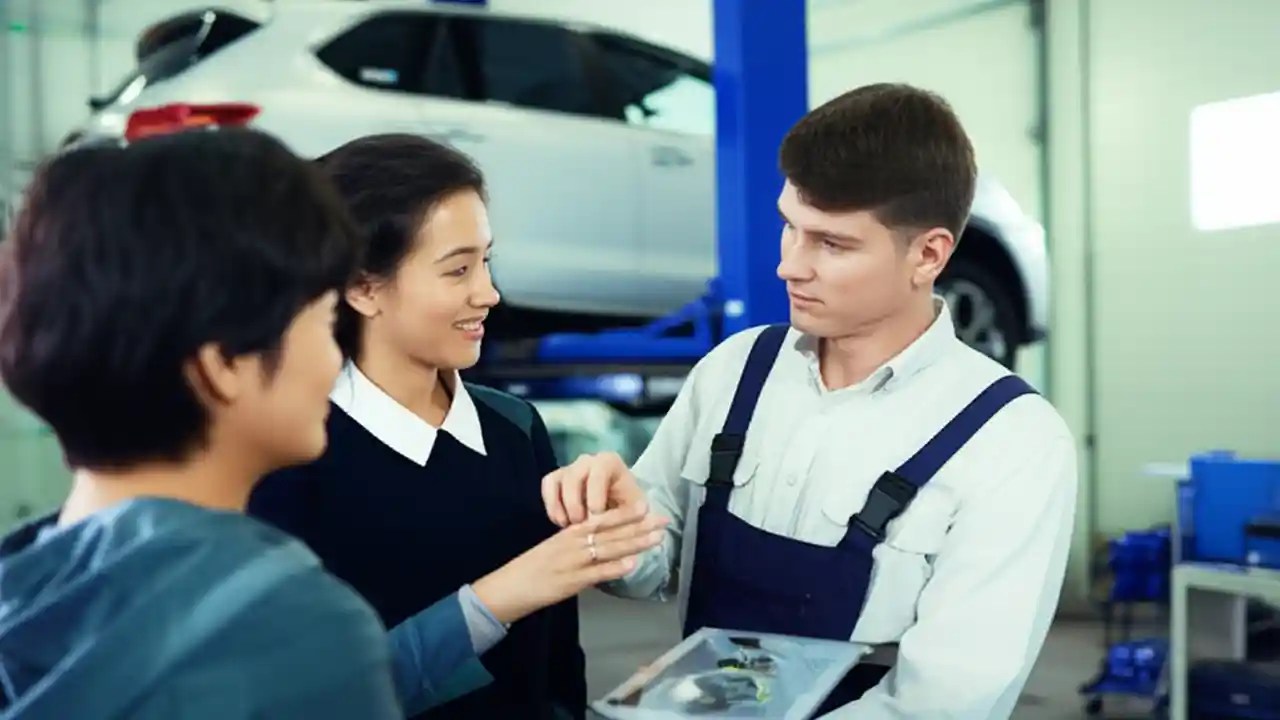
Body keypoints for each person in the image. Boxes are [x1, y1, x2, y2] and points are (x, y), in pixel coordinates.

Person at [0, 128, 659, 719]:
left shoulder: (23, 584)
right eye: (315, 318)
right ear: (222, 364)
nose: (329, 353)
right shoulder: (298, 625)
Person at [541, 83, 1079, 718]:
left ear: (928, 254)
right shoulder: (735, 371)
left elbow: (943, 701)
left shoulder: (1012, 442)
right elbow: (654, 567)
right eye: (789, 228)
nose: (790, 266)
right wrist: (615, 525)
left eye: (831, 243)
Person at [247, 134, 653, 719]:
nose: (488, 293)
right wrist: (499, 597)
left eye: (485, 261)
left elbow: (557, 663)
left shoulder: (514, 427)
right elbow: (317, 698)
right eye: (457, 269)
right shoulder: (292, 460)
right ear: (363, 286)